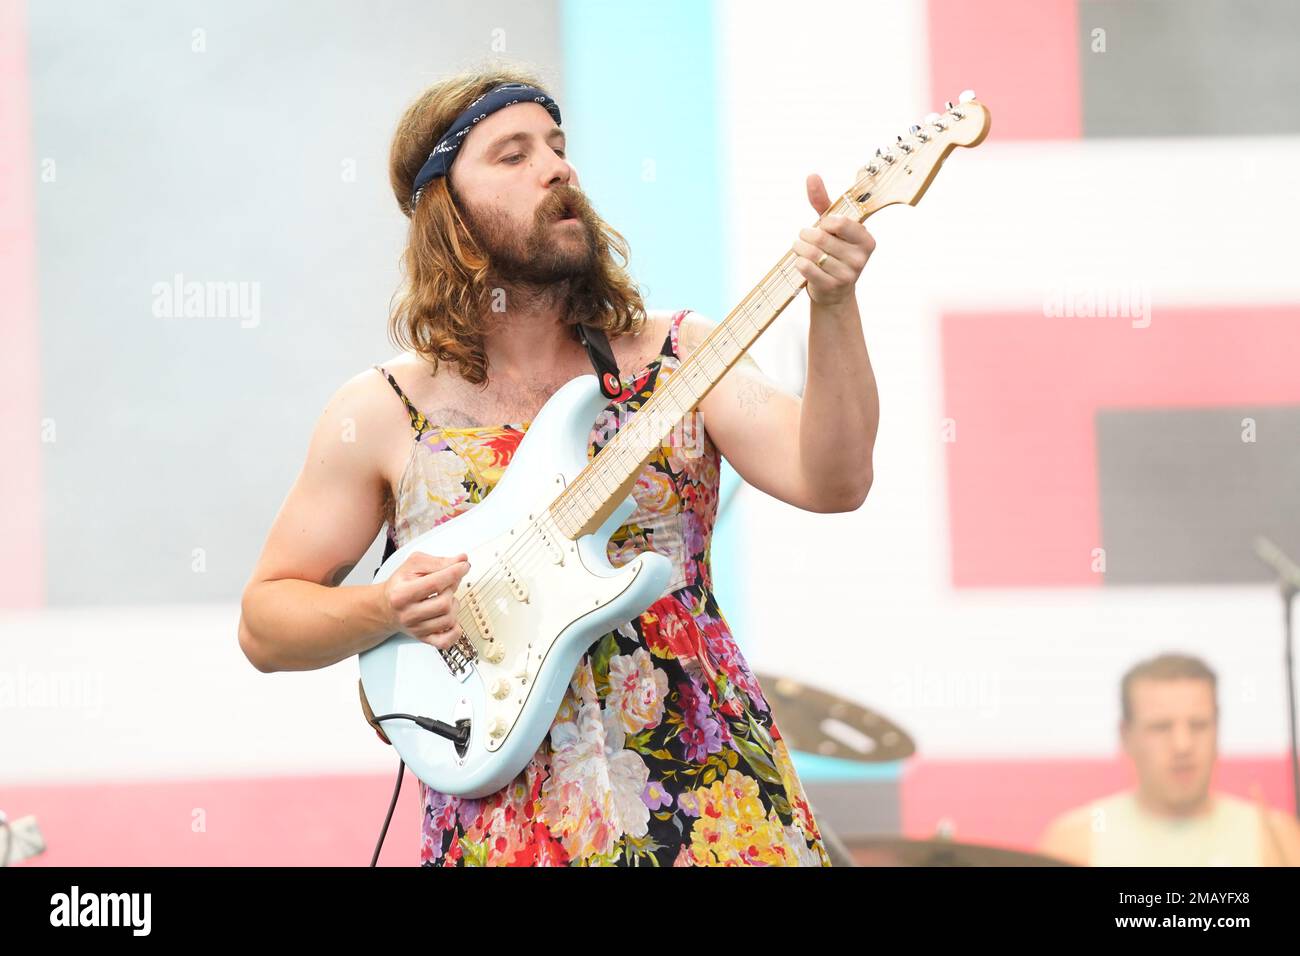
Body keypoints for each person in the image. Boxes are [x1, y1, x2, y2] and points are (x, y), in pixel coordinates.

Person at [237, 65, 880, 866]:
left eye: (557, 146)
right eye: (513, 155)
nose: (556, 168)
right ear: (446, 212)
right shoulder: (382, 411)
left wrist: (832, 305)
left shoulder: (683, 353)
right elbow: (266, 623)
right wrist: (385, 608)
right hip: (510, 828)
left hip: (721, 809)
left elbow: (835, 480)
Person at [1038, 652, 1300, 866]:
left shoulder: (1275, 838)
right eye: (1161, 727)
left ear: (1218, 727)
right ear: (1126, 736)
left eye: (1198, 725)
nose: (1182, 745)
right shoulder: (1075, 842)